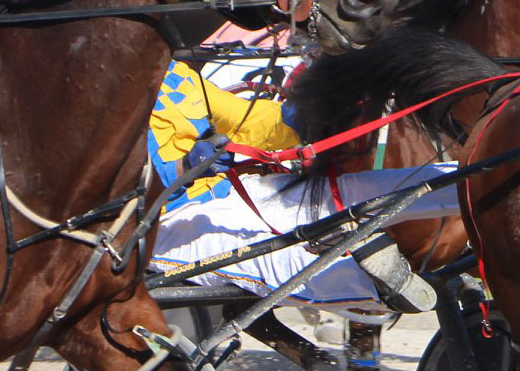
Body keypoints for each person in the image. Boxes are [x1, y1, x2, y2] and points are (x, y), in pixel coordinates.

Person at [147, 60, 454, 313]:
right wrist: (183, 166)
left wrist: (304, 115)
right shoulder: (102, 97)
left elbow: (248, 121)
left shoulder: (174, 74)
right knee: (282, 257)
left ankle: (473, 181)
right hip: (165, 224)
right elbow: (115, 188)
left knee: (362, 189)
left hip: (236, 191)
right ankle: (382, 283)